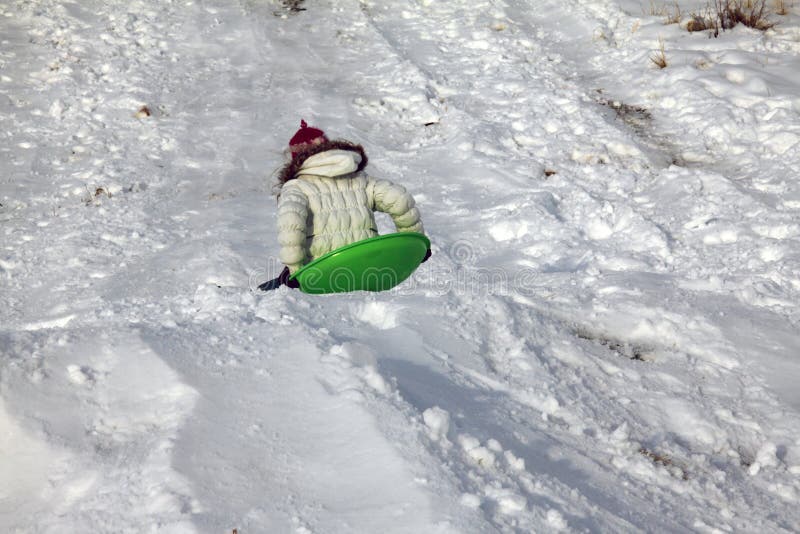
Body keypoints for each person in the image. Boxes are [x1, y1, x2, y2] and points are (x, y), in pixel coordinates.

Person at [260, 120, 429, 291]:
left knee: (268, 288)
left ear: (296, 159)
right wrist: (414, 244)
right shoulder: (359, 179)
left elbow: (291, 226)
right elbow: (399, 199)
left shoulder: (297, 187)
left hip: (324, 272)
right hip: (371, 266)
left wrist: (294, 270)